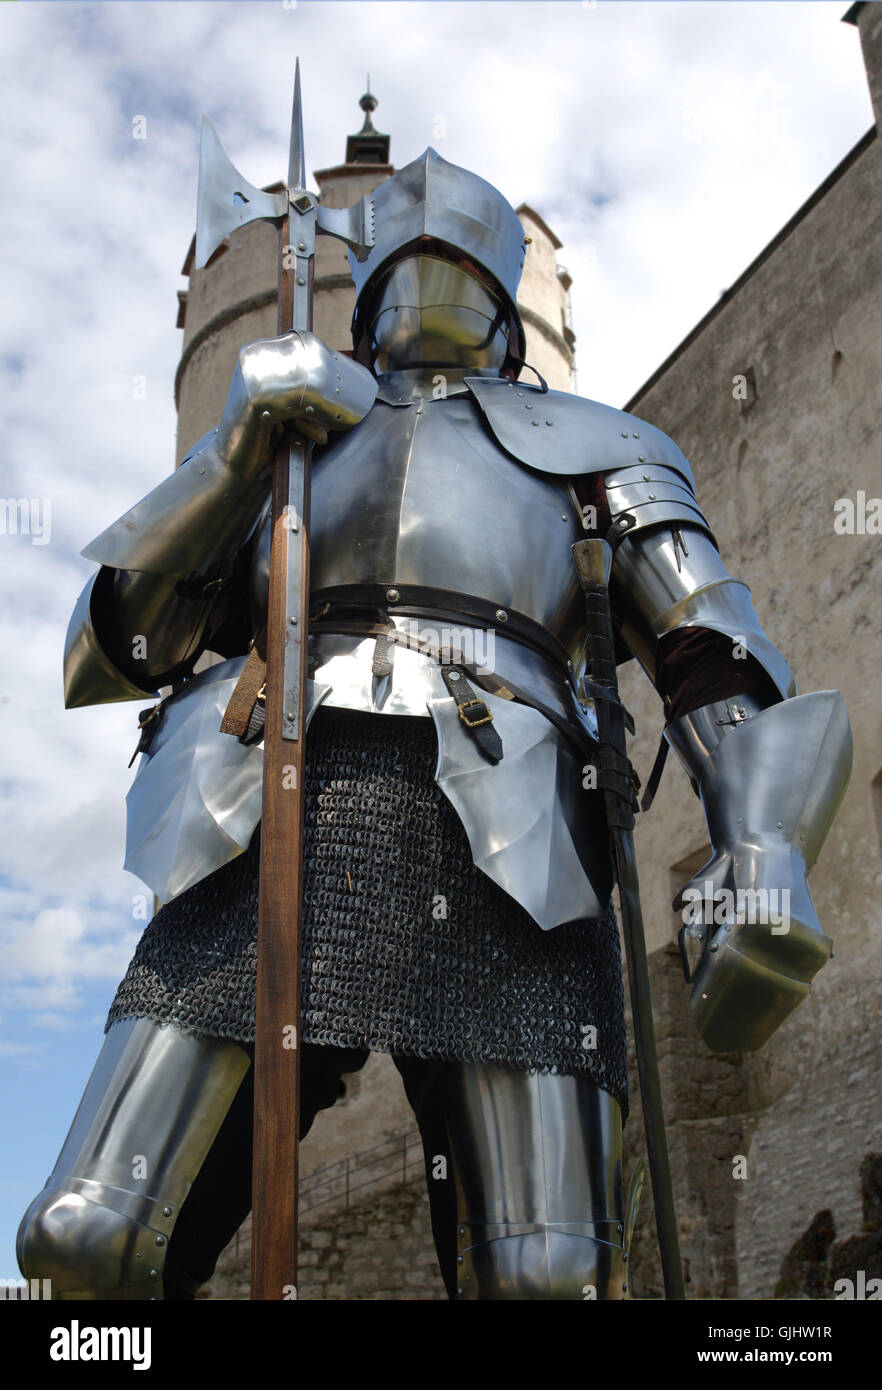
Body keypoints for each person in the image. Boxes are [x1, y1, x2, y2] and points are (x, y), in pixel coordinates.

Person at [17, 148, 851, 1301]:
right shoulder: (293, 437)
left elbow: (715, 660)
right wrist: (232, 454)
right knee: (92, 1239)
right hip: (265, 814)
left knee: (548, 1273)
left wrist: (758, 853)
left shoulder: (596, 445)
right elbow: (117, 647)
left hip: (514, 830)